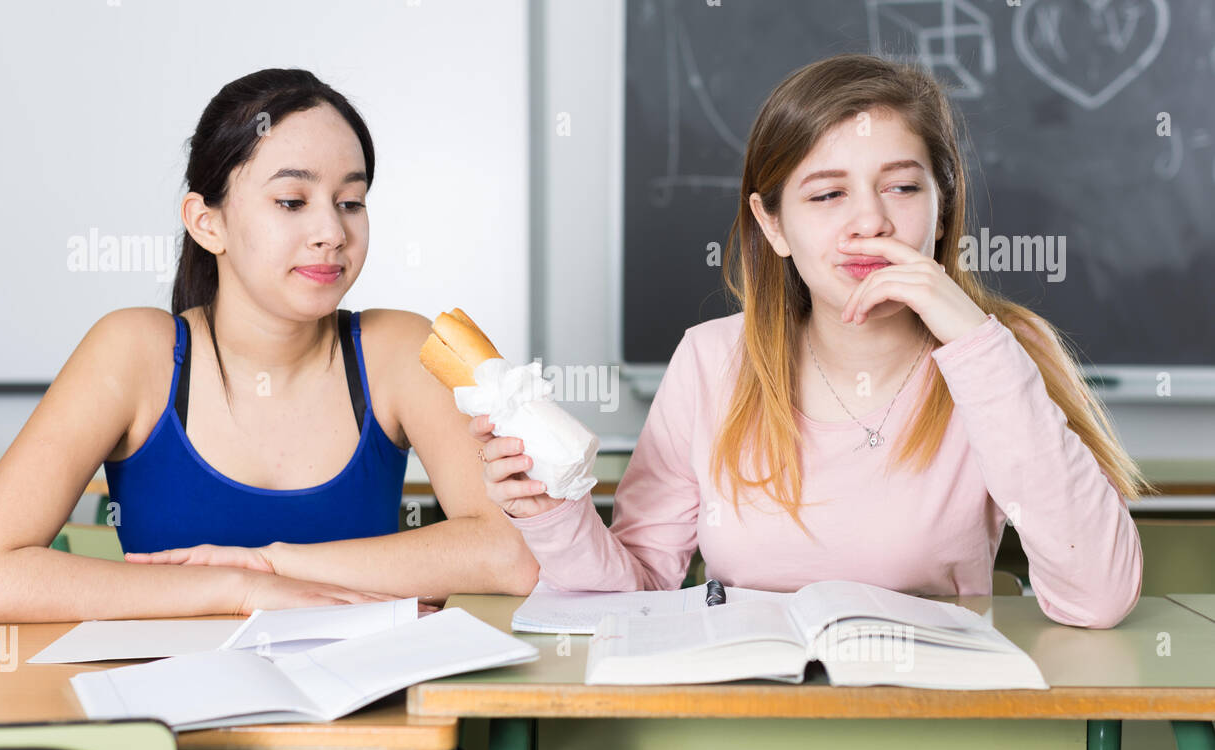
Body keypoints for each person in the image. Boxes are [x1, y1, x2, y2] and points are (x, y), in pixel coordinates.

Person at [473, 53, 1153, 629]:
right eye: (827, 195)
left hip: (937, 721)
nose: (870, 222)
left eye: (903, 187)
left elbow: (1098, 596)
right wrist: (550, 514)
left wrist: (975, 340)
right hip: (747, 717)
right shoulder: (712, 361)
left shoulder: (1001, 351)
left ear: (943, 205)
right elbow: (638, 592)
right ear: (772, 225)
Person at [0, 69, 539, 625]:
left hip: (361, 727)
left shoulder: (398, 348)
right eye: (292, 202)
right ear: (207, 223)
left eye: (350, 202)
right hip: (169, 726)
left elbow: (506, 551)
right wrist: (239, 590)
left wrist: (272, 564)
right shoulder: (134, 351)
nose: (332, 232)